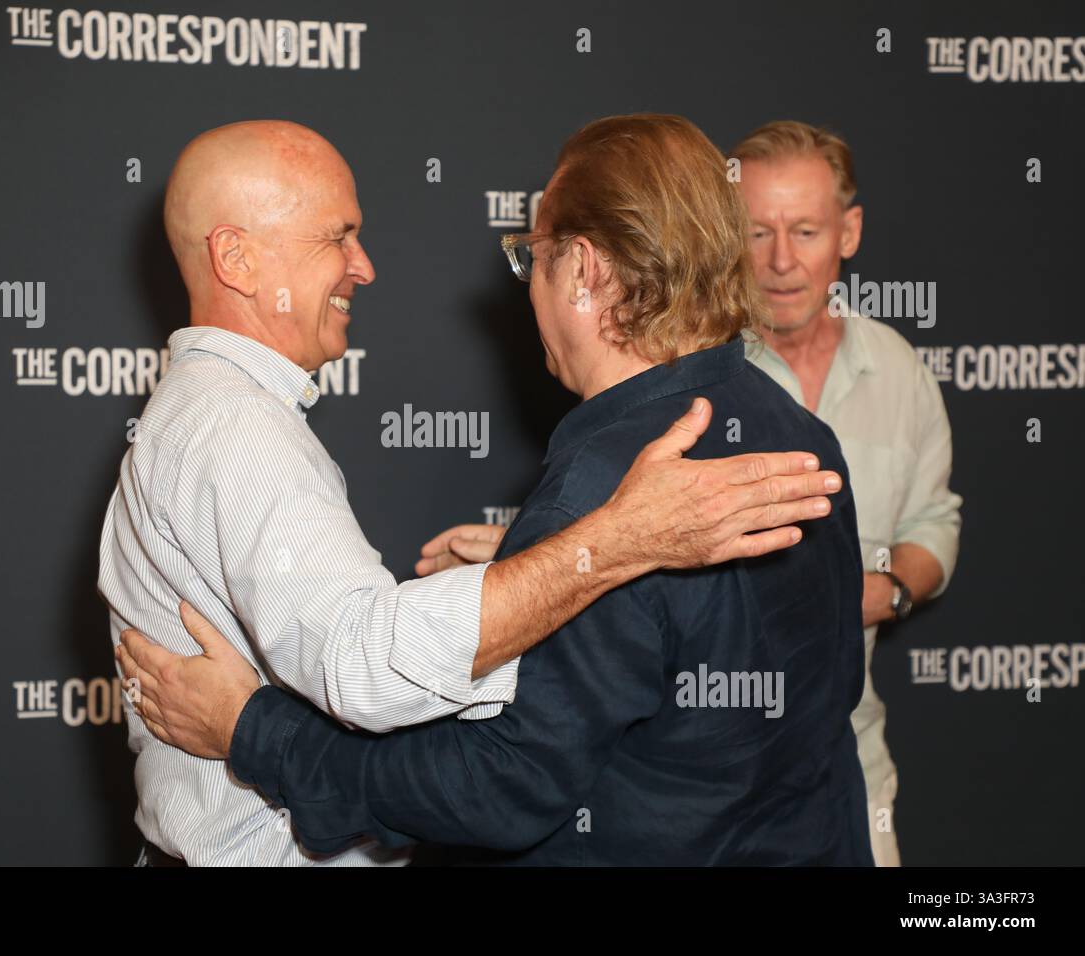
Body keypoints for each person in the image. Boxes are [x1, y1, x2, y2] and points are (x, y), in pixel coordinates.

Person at [117, 114, 872, 865]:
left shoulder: (608, 491)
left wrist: (250, 731)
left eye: (532, 257)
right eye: (337, 237)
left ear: (583, 269)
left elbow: (495, 786)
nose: (364, 267)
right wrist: (545, 560)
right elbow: (809, 690)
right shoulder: (798, 432)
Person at [730, 120, 962, 866]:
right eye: (757, 232)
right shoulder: (688, 373)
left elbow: (934, 523)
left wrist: (887, 592)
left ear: (849, 232)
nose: (781, 260)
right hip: (708, 777)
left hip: (854, 762)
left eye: (805, 231)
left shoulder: (898, 371)